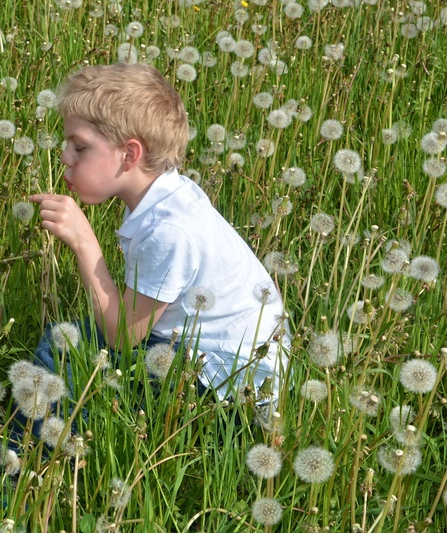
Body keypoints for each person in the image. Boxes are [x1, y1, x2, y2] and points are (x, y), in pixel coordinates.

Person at [29, 63, 290, 404]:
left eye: (80, 148)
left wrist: (83, 242)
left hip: (227, 384)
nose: (64, 156)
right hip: (222, 360)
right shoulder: (166, 196)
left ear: (130, 154)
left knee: (63, 349)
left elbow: (121, 337)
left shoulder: (169, 230)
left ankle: (23, 445)